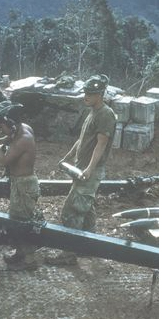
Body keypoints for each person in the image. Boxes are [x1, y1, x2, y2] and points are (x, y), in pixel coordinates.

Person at [47, 74, 116, 266]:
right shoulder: (92, 112)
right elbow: (82, 139)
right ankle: (89, 246)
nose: (86, 96)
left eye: (91, 93)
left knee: (72, 211)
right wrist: (68, 157)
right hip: (83, 168)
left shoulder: (105, 114)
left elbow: (101, 145)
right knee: (86, 208)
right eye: (85, 92)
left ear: (100, 94)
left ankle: (68, 254)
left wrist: (89, 169)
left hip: (90, 171)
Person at [0, 101, 41, 270]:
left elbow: (2, 161)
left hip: (24, 185)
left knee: (22, 222)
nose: (2, 131)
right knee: (17, 218)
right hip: (20, 183)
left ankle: (29, 261)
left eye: (2, 127)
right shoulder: (23, 129)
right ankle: (20, 253)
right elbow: (10, 137)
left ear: (11, 123)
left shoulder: (23, 139)